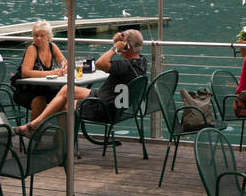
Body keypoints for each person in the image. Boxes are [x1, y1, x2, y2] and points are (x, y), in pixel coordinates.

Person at [15, 29, 147, 136]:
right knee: (68, 89)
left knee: (64, 106)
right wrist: (118, 43)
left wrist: (114, 48)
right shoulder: (141, 62)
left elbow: (100, 63)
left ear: (126, 46)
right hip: (112, 102)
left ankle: (59, 147)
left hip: (104, 108)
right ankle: (35, 125)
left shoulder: (123, 66)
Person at [11, 20, 67, 120]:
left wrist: (64, 68)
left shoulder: (52, 46)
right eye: (36, 35)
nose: (38, 38)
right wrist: (51, 73)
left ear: (49, 37)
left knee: (65, 97)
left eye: (42, 35)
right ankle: (33, 132)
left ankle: (60, 133)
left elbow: (64, 63)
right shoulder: (32, 49)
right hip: (26, 90)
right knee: (40, 101)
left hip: (44, 88)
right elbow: (25, 73)